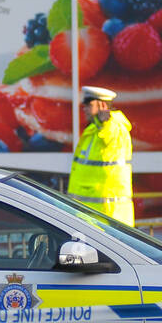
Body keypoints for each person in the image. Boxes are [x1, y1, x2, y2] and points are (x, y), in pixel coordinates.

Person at [66, 86, 134, 227]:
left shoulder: (115, 127)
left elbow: (111, 137)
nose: (84, 109)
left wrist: (106, 123)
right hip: (90, 216)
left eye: (88, 105)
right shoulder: (93, 129)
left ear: (102, 105)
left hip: (107, 218)